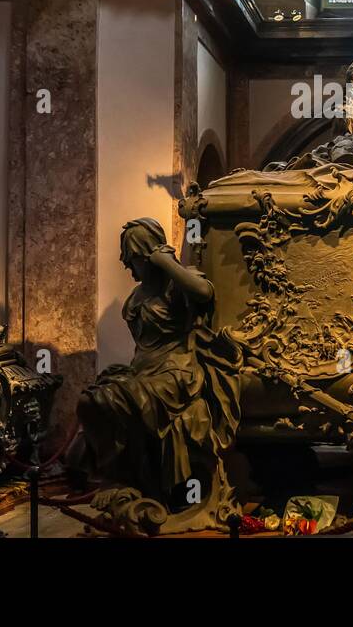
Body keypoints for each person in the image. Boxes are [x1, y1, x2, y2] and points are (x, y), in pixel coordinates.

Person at [76, 218, 241, 510]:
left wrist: (166, 262)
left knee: (113, 398)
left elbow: (205, 293)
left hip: (175, 374)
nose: (128, 267)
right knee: (93, 400)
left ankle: (146, 485)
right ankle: (124, 478)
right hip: (142, 372)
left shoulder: (176, 287)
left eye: (133, 259)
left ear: (150, 257)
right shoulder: (135, 297)